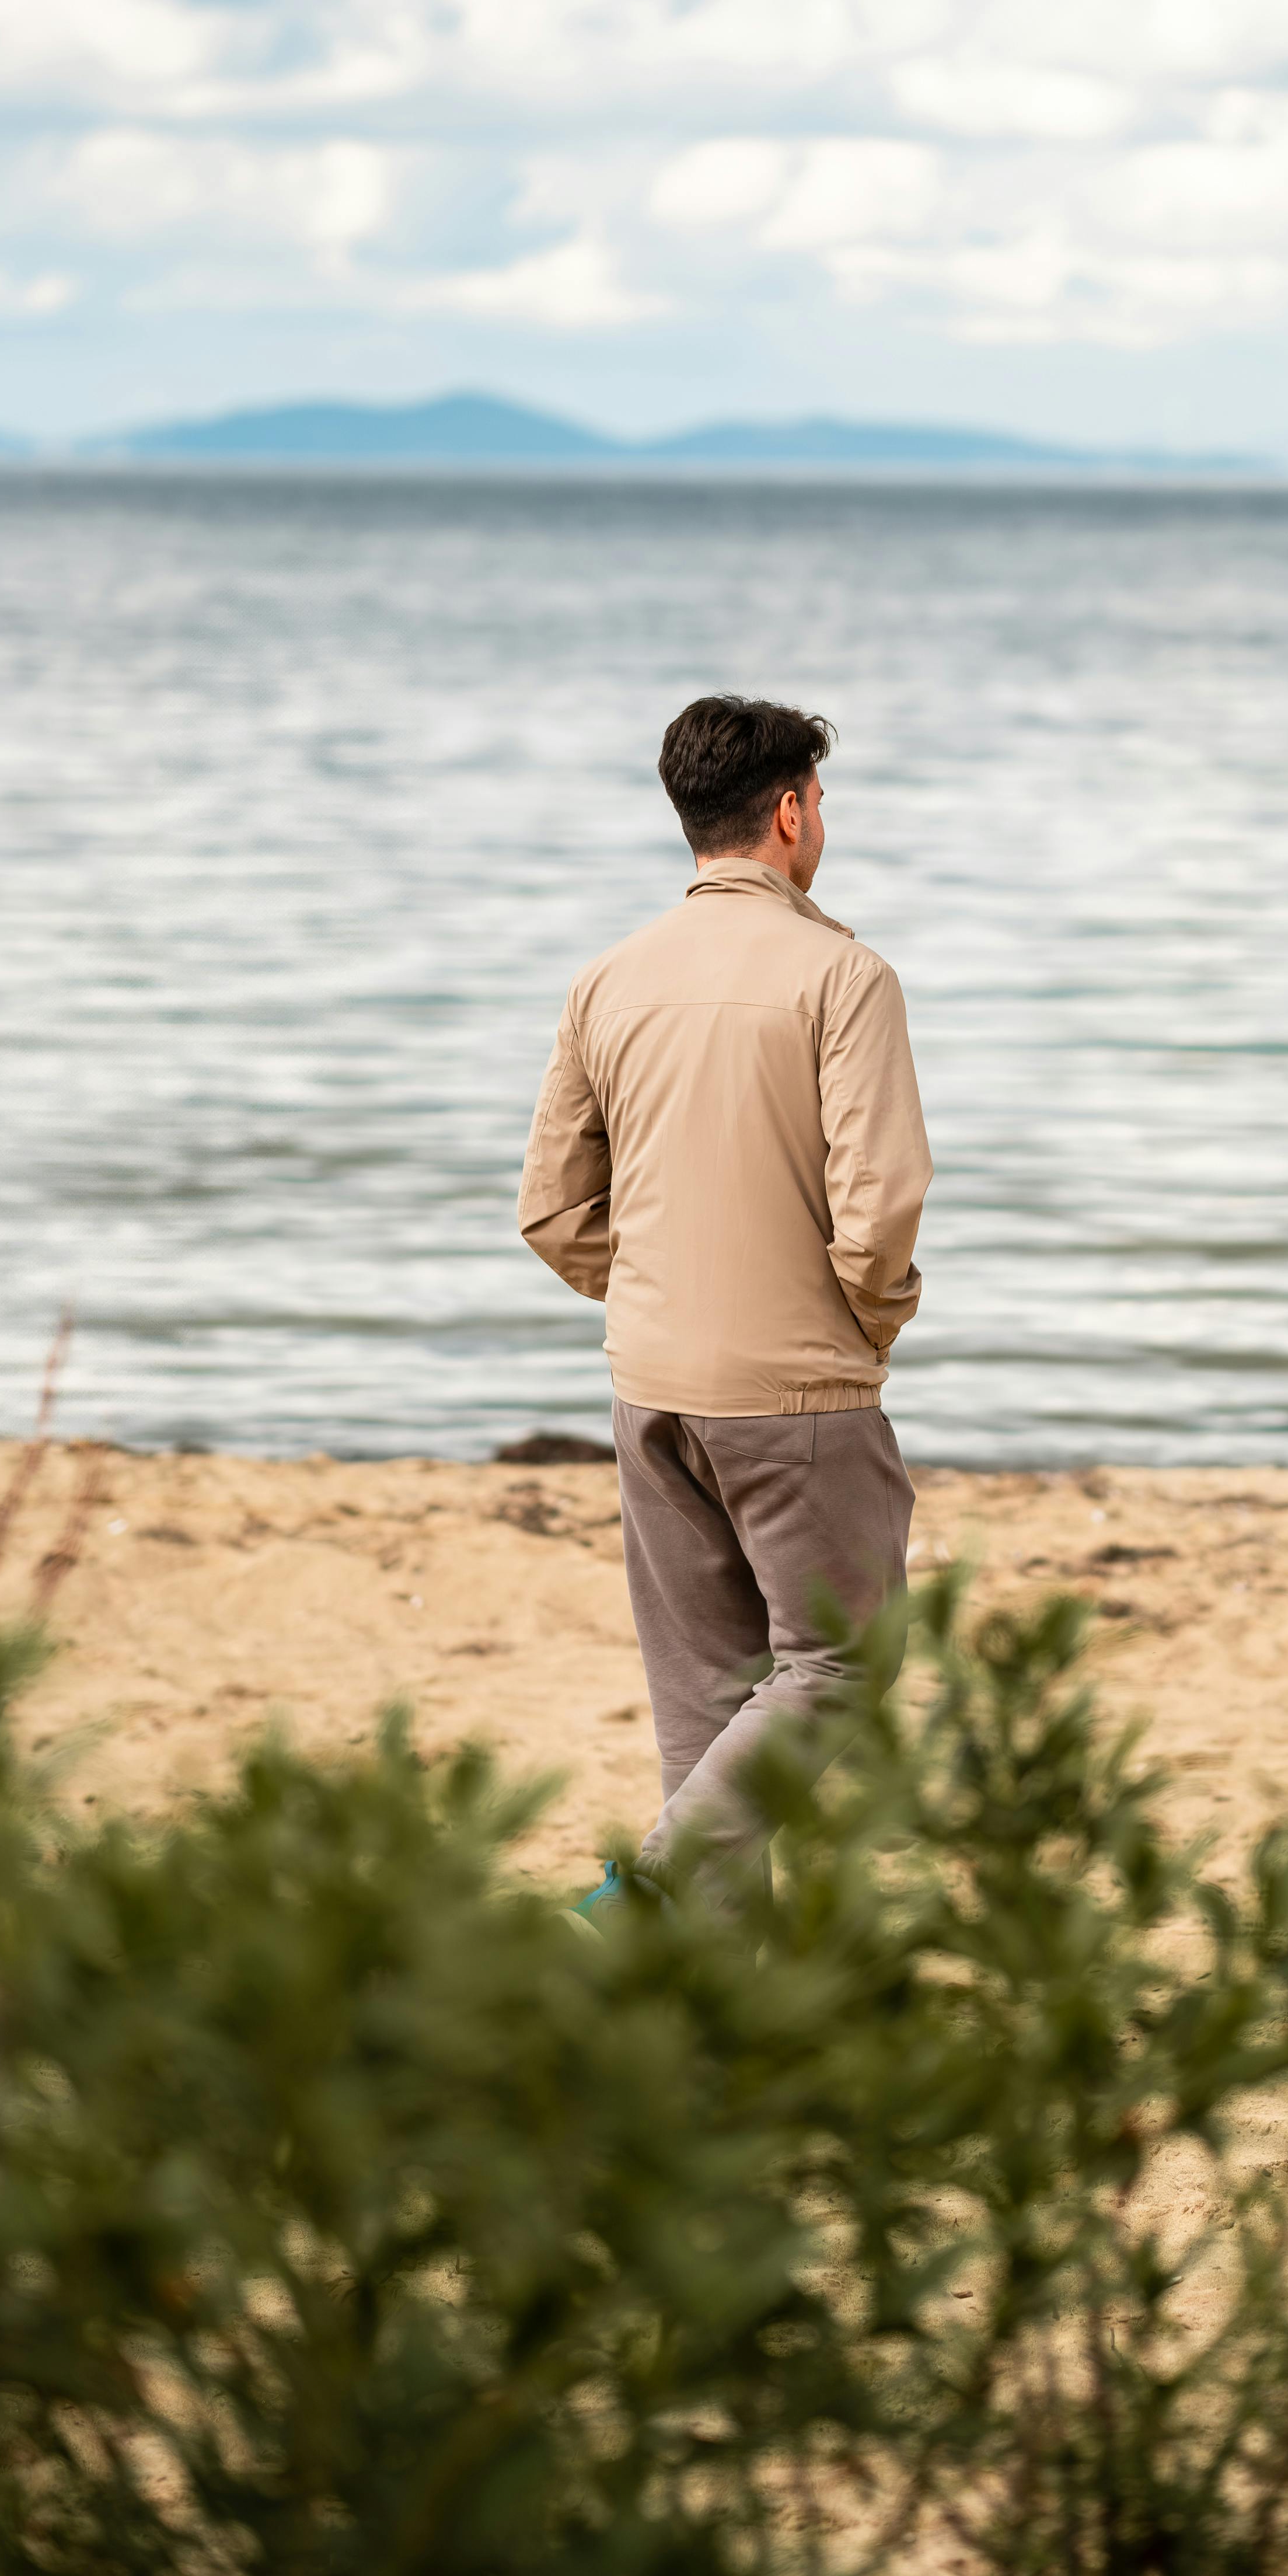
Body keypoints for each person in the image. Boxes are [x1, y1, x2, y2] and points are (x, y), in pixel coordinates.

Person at [517, 694, 932, 1915]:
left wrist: (647, 1293)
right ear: (793, 811)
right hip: (795, 1387)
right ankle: (645, 1893)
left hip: (649, 1386)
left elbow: (551, 1207)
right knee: (842, 1665)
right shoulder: (843, 976)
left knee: (706, 1715)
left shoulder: (608, 979)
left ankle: (693, 2030)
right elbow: (881, 1205)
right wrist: (868, 1318)